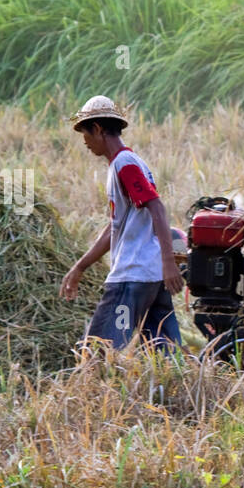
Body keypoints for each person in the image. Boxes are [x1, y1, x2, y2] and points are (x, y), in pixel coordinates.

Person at [60, 95, 184, 352]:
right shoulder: (127, 163)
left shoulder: (125, 164)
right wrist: (80, 266)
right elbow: (115, 228)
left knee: (98, 352)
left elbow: (156, 207)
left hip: (132, 276)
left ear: (97, 128)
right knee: (165, 355)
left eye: (85, 135)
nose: (85, 143)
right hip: (152, 278)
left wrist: (169, 261)